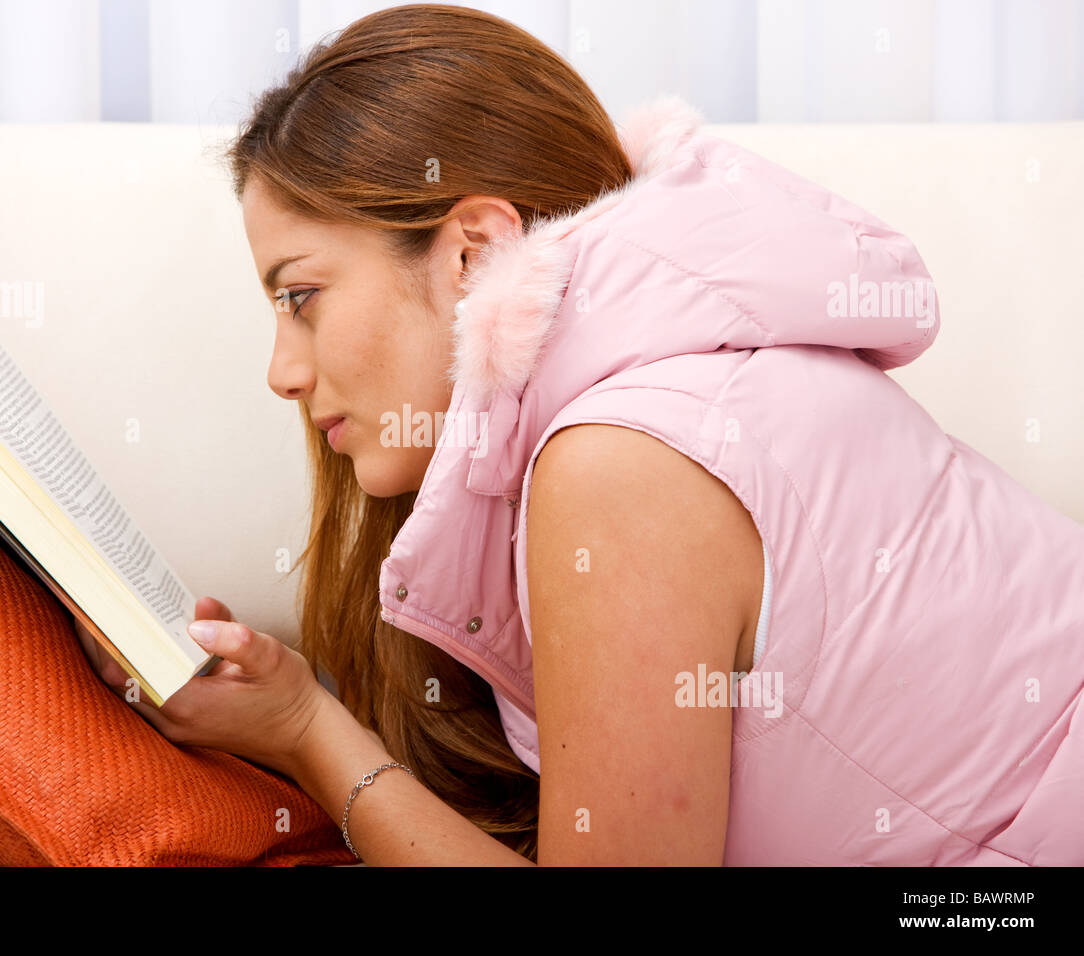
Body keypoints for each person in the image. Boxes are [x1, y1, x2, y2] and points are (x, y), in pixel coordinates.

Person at [78, 3, 1084, 865]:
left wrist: (307, 730)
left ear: (472, 251)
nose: (282, 371)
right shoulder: (647, 396)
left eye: (301, 297)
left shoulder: (622, 460)